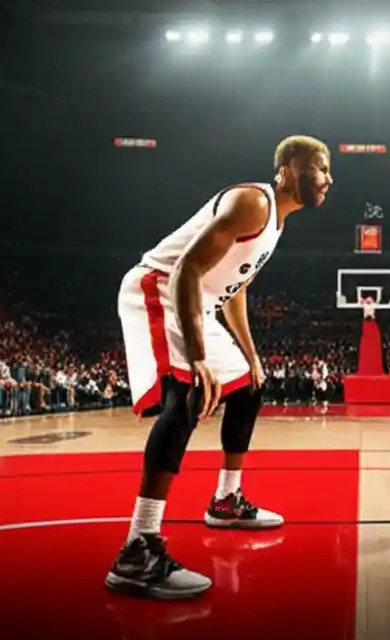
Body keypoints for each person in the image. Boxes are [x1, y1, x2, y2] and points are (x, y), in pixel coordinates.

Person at [106, 135, 333, 600]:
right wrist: (198, 357)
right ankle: (137, 549)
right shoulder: (253, 202)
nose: (329, 178)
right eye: (320, 167)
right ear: (289, 168)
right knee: (187, 397)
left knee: (248, 388)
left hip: (200, 303)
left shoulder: (275, 224)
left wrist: (249, 356)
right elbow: (187, 269)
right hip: (160, 289)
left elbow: (237, 287)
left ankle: (227, 500)